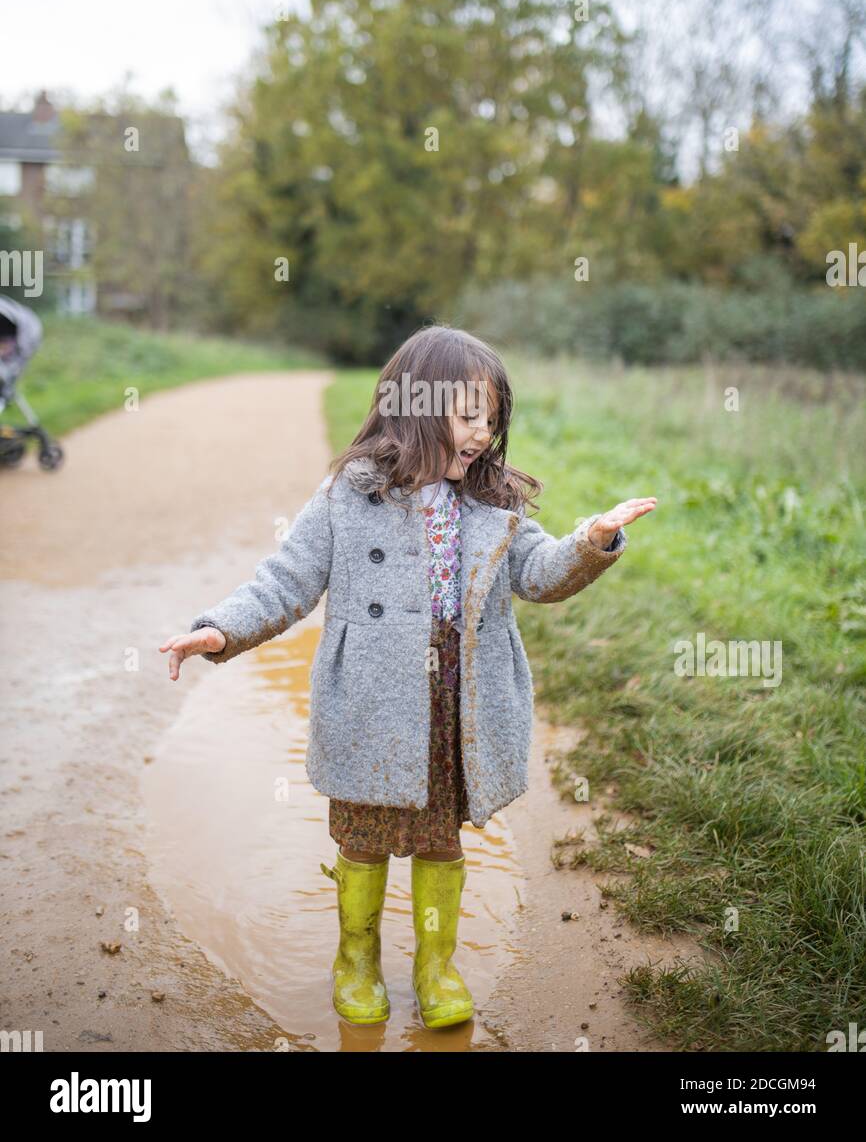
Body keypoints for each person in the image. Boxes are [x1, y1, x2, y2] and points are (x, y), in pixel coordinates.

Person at [159, 325, 657, 1030]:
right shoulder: (347, 496)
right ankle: (356, 959)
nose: (482, 434)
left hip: (456, 699)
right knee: (361, 836)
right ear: (413, 409)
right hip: (372, 698)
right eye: (467, 416)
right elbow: (286, 579)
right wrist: (222, 628)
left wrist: (592, 541)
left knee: (439, 837)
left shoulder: (496, 502)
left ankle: (435, 965)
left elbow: (543, 577)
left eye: (492, 418)